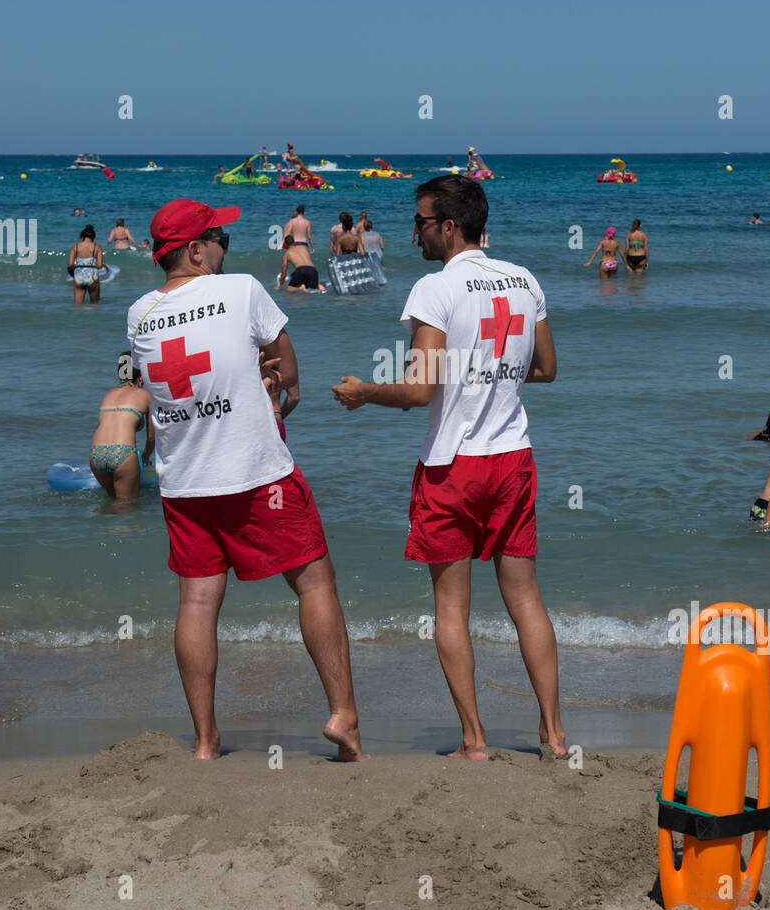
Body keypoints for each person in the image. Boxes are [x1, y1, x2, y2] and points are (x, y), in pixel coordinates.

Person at [332, 175, 566, 762]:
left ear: (449, 226)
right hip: (512, 457)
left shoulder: (434, 290)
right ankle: (555, 737)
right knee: (527, 601)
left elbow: (417, 392)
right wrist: (490, 375)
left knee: (452, 608)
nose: (414, 232)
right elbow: (545, 369)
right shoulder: (525, 280)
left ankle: (474, 741)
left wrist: (364, 392)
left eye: (421, 222)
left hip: (453, 466)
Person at [127, 197, 366, 762]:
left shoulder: (138, 313)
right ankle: (344, 719)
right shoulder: (241, 290)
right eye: (219, 239)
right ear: (195, 250)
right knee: (314, 581)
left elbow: (165, 383)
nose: (224, 249)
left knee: (199, 601)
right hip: (258, 475)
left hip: (184, 483)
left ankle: (206, 741)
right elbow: (283, 366)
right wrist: (287, 390)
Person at [89, 354, 154, 500]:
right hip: (122, 453)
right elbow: (151, 438)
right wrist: (146, 456)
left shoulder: (109, 394)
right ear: (141, 378)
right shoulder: (145, 395)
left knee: (112, 503)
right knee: (127, 508)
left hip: (96, 454)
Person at [67, 225, 105, 305]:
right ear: (93, 236)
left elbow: (70, 264)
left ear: (82, 236)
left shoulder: (75, 247)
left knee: (77, 306)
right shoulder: (97, 247)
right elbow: (100, 265)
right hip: (92, 276)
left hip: (79, 276)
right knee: (95, 306)